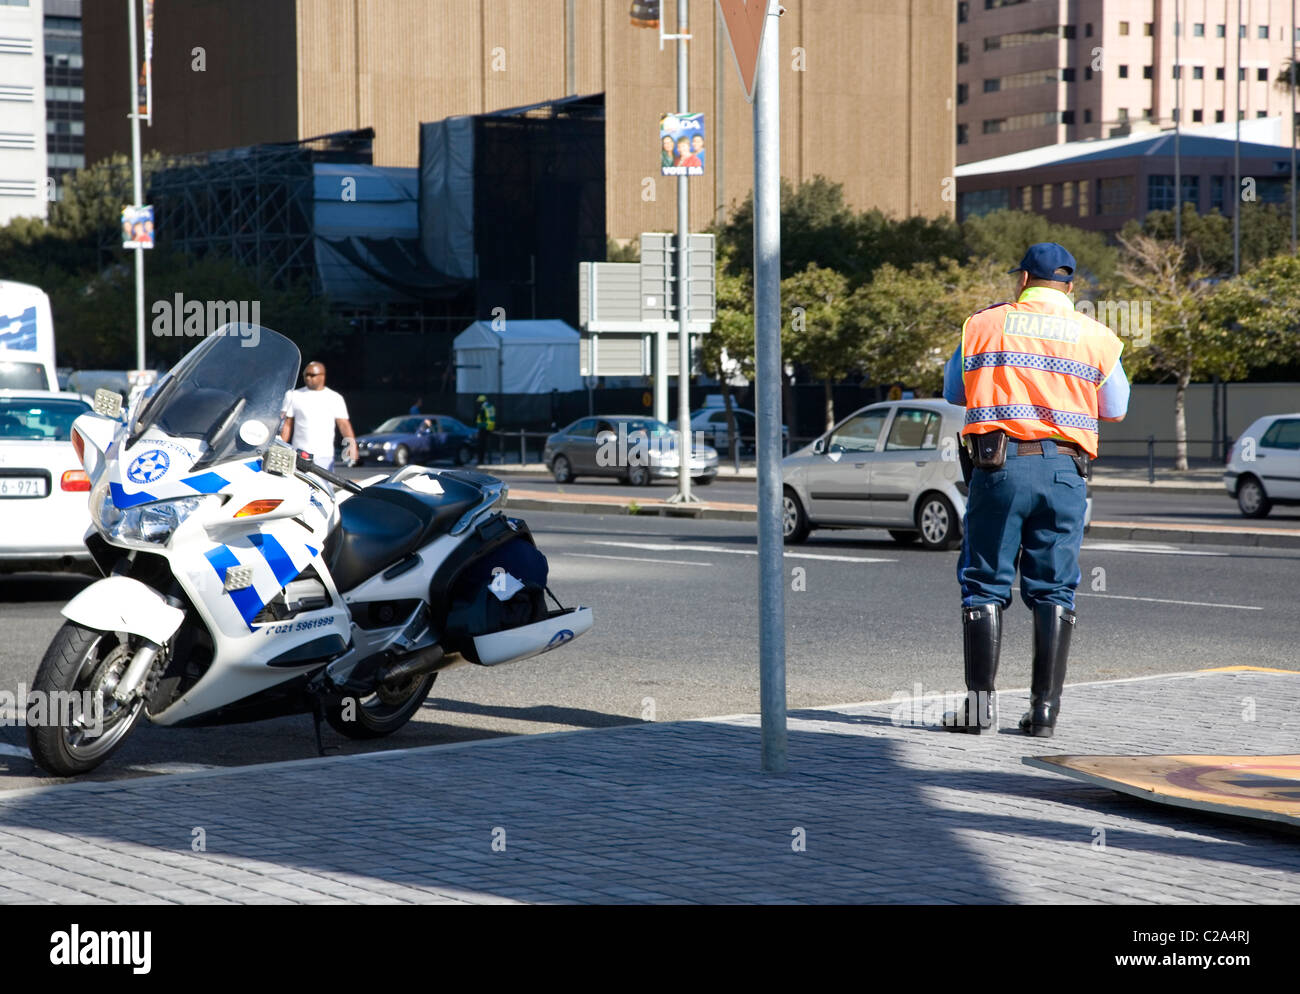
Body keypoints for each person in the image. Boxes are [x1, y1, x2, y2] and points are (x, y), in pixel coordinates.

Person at [941, 242, 1129, 737]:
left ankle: (979, 711)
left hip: (999, 468)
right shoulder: (1097, 336)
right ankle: (1044, 714)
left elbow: (953, 392)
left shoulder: (983, 325)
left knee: (984, 584)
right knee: (1054, 586)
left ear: (1023, 280)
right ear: (1070, 287)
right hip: (1066, 472)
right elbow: (1116, 407)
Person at [280, 360, 357, 472]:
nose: (308, 378)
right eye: (306, 375)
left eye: (312, 375)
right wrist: (281, 446)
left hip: (324, 455)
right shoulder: (293, 395)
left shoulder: (334, 398)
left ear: (322, 376)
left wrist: (352, 445)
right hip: (299, 454)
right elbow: (287, 424)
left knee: (324, 487)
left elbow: (343, 424)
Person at [475, 393, 495, 465]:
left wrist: (479, 425)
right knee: (485, 445)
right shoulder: (490, 407)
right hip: (489, 428)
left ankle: (480, 461)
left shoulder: (483, 408)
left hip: (483, 428)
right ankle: (482, 460)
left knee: (480, 446)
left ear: (482, 402)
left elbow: (482, 419)